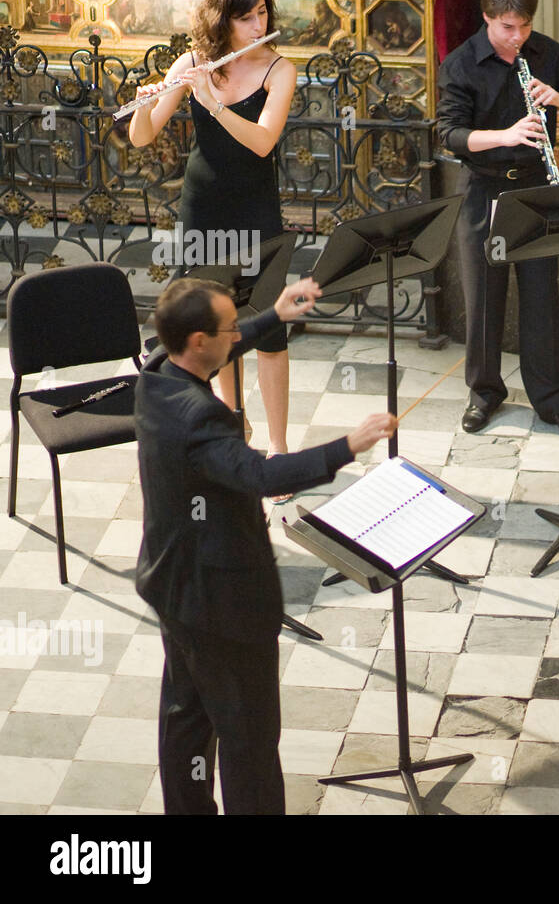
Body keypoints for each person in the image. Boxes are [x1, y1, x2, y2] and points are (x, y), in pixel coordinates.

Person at [136, 276, 395, 814]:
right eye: (231, 328)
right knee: (249, 739)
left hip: (172, 585)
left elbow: (224, 341)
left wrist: (275, 314)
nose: (238, 335)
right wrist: (349, 444)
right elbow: (261, 475)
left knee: (187, 715)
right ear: (200, 340)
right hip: (220, 606)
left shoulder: (157, 374)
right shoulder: (200, 418)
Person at [128, 0, 297, 496]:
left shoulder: (279, 69)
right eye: (246, 17)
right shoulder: (193, 62)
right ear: (222, 20)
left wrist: (216, 102)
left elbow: (264, 142)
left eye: (262, 13)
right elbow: (143, 137)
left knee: (265, 329)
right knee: (212, 319)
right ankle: (231, 422)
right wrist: (141, 103)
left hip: (255, 210)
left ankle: (281, 449)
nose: (257, 24)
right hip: (203, 208)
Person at [435, 0, 559, 435]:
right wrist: (505, 135)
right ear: (488, 19)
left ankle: (550, 399)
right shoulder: (463, 63)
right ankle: (484, 393)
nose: (517, 37)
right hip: (483, 188)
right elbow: (449, 134)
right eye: (507, 27)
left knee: (542, 297)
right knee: (483, 297)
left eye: (524, 26)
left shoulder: (547, 53)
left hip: (534, 188)